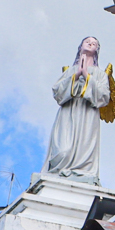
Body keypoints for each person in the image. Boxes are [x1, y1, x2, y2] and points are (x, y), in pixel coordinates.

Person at [44, 37, 110, 182]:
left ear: (97, 50)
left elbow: (105, 97)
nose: (91, 43)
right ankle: (58, 171)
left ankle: (81, 171)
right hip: (68, 113)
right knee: (62, 151)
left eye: (95, 43)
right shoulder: (70, 71)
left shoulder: (100, 74)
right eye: (87, 42)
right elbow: (57, 92)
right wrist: (77, 75)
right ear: (80, 47)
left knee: (84, 149)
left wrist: (87, 76)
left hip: (87, 114)